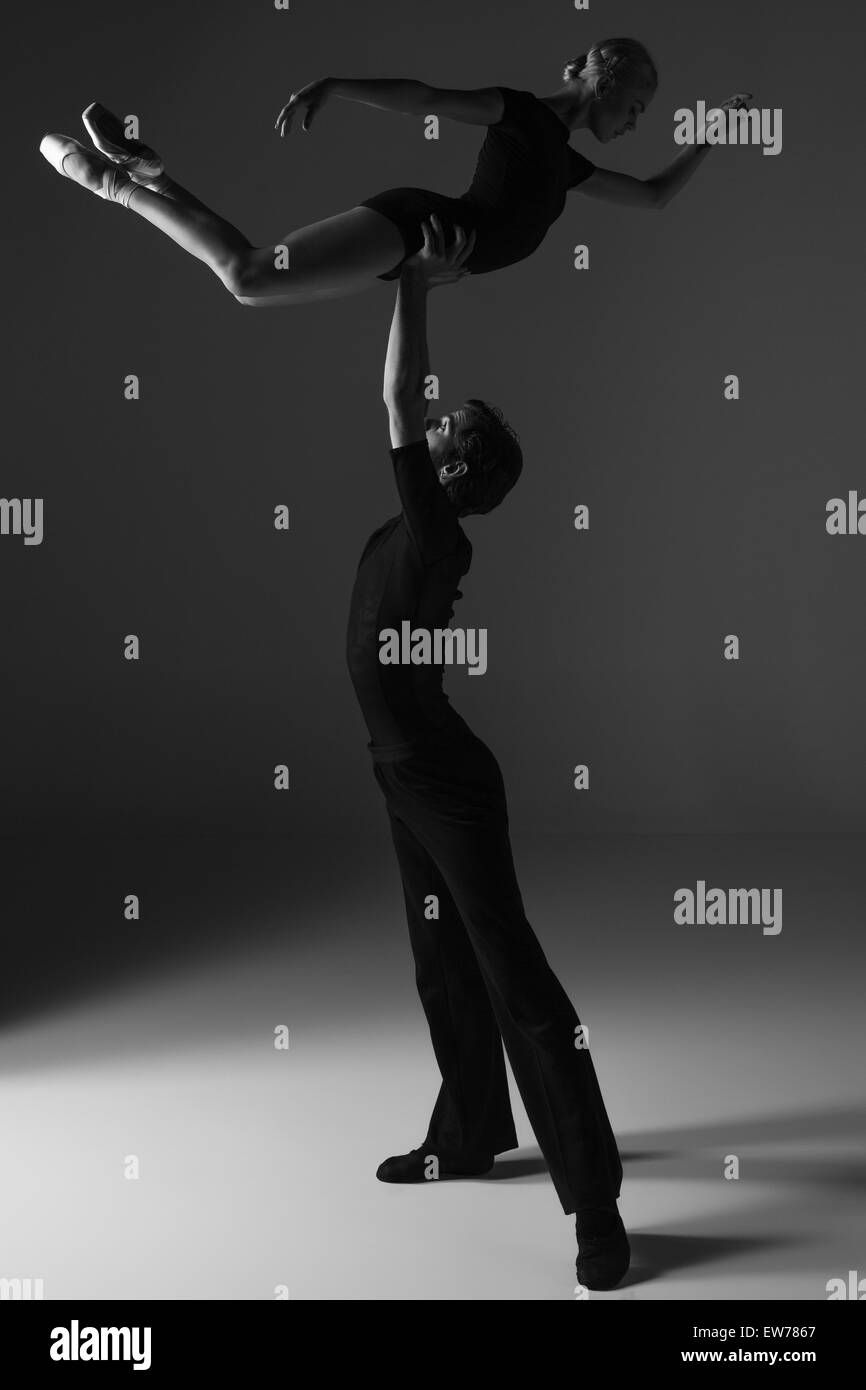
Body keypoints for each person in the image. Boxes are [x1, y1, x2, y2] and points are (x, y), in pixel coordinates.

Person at [346, 215, 627, 1290]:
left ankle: (593, 1204)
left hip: (445, 783)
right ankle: (467, 1133)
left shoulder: (436, 531)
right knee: (439, 964)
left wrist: (414, 285)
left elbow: (393, 399)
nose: (432, 419)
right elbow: (404, 408)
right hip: (400, 772)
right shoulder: (422, 530)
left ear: (455, 464)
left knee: (514, 976)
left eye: (445, 425)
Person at [39, 39, 749, 308]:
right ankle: (113, 182)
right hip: (418, 226)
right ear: (608, 80)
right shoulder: (524, 113)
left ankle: (149, 174)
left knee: (251, 274)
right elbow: (428, 97)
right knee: (249, 279)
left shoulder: (568, 165)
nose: (636, 124)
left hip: (422, 253)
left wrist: (711, 136)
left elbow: (653, 196)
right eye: (638, 106)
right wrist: (337, 82)